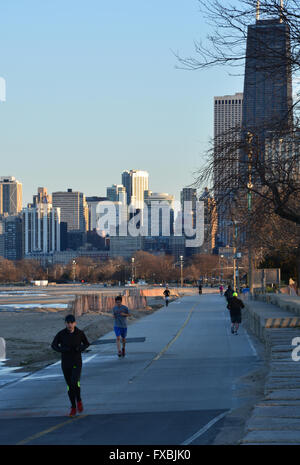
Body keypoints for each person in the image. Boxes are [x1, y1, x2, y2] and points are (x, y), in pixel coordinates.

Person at [51, 314, 90, 417]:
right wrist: (62, 350)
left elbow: (86, 343)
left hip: (77, 362)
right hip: (66, 363)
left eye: (71, 323)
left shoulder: (79, 333)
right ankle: (73, 406)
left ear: (75, 323)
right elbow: (53, 345)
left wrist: (80, 348)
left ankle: (79, 400)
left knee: (75, 382)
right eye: (68, 323)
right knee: (69, 386)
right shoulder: (61, 334)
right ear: (65, 323)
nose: (69, 325)